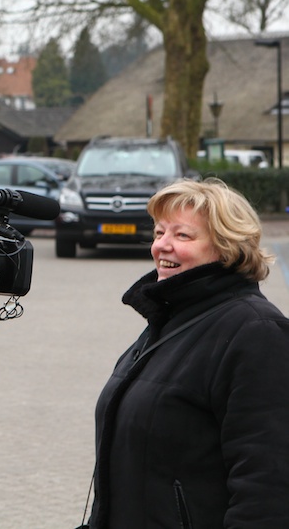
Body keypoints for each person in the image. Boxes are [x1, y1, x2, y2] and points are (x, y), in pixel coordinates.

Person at [87, 178, 289, 528]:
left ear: (227, 249)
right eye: (159, 233)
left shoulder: (256, 332)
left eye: (182, 236)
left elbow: (268, 487)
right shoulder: (167, 319)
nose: (162, 246)